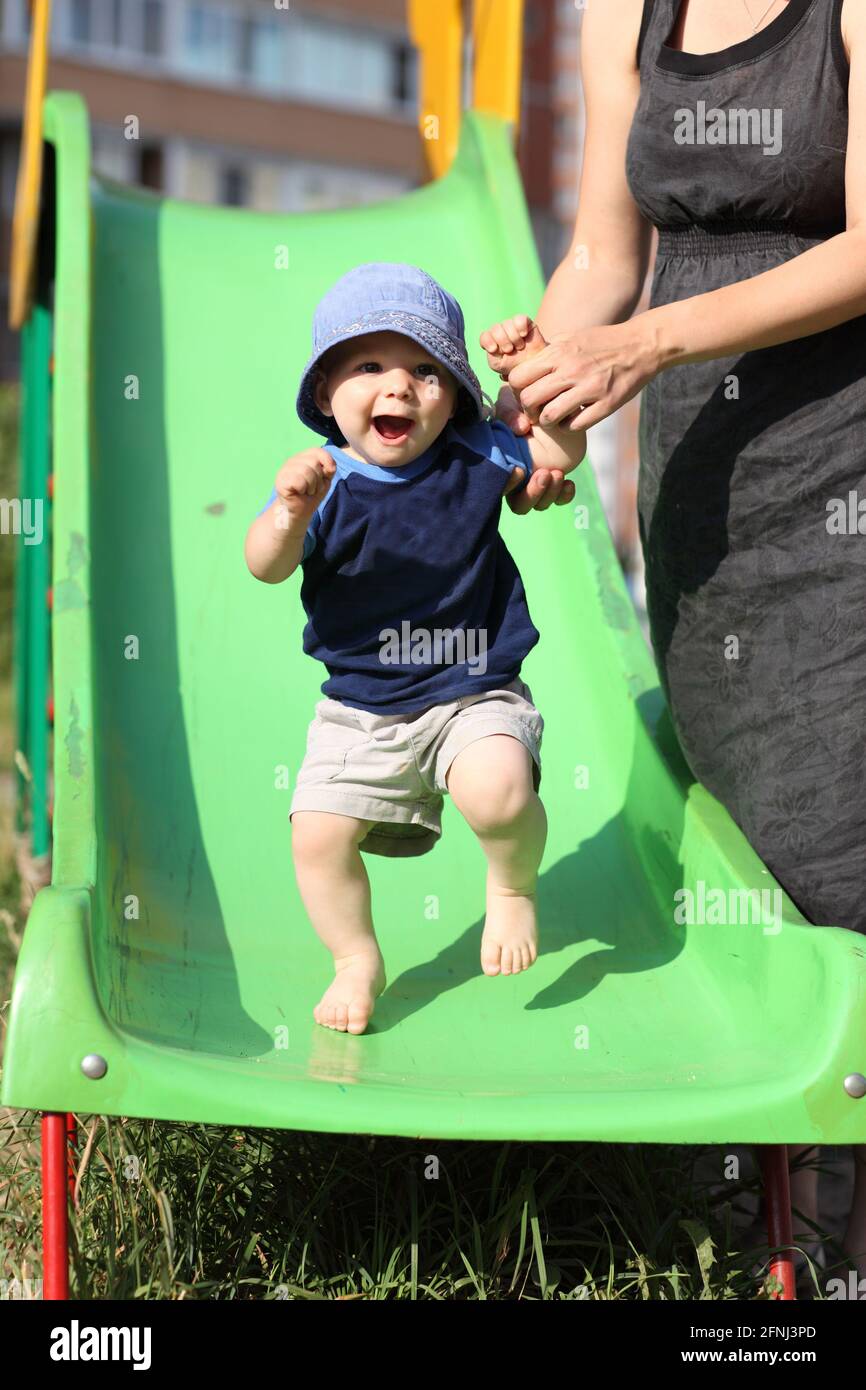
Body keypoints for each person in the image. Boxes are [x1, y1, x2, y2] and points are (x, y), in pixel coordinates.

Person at [488, 0, 866, 1286]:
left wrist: (641, 341)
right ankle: (770, 1237)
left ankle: (833, 1249)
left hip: (842, 472)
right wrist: (541, 397)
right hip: (703, 495)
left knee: (839, 842)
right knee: (746, 827)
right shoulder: (624, 11)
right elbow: (603, 253)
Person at [244, 263, 586, 1036]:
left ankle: (511, 886)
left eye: (425, 371)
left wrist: (535, 370)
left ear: (456, 396)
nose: (399, 387)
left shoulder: (475, 453)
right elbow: (264, 564)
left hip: (474, 687)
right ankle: (355, 957)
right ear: (328, 391)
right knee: (317, 836)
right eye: (370, 366)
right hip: (361, 707)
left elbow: (559, 455)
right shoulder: (321, 484)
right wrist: (289, 511)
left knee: (498, 790)